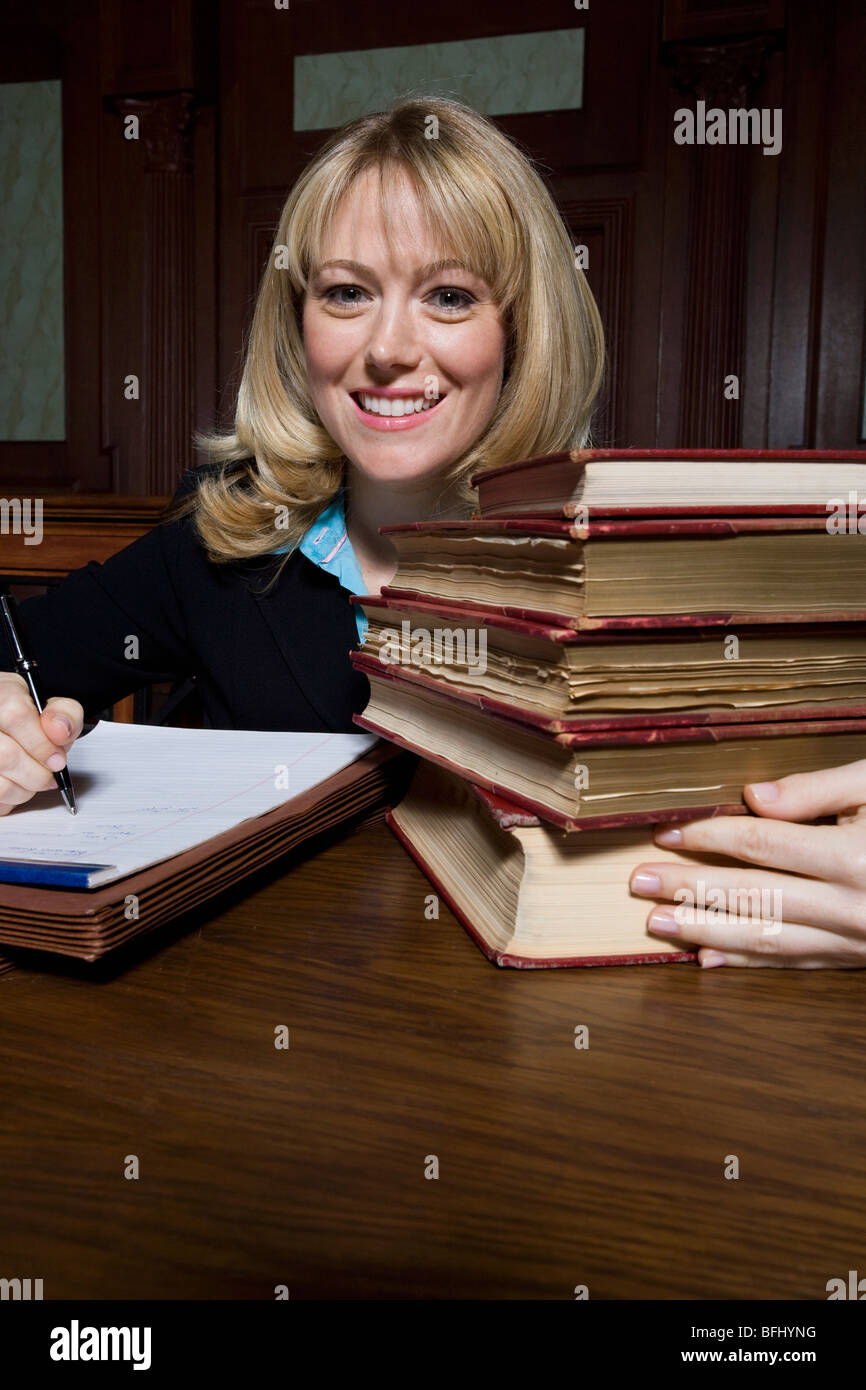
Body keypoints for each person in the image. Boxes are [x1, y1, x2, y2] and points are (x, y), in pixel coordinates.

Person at [0, 97, 863, 968]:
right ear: (299, 327)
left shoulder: (630, 565)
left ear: (518, 334)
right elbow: (18, 661)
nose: (388, 348)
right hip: (285, 1028)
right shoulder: (227, 536)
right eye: (347, 292)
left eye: (449, 296)